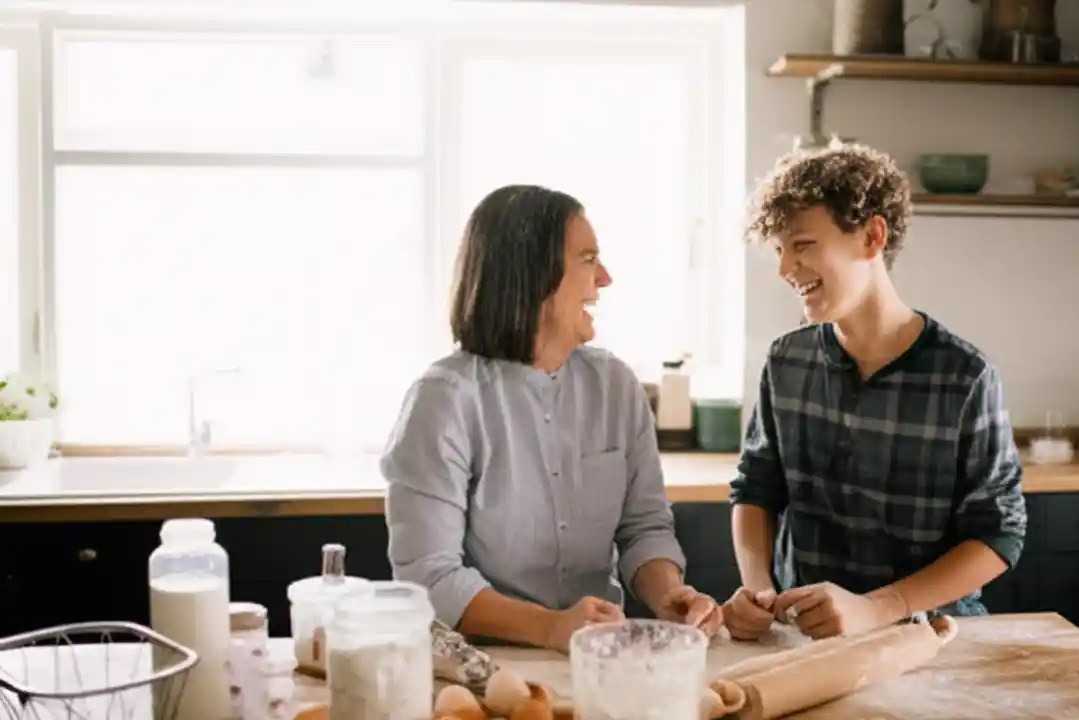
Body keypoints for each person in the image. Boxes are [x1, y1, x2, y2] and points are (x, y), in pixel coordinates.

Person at [382, 184, 722, 651]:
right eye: (587, 259)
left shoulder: (616, 386)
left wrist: (668, 594)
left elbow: (643, 528)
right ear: (533, 276)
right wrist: (550, 628)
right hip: (481, 665)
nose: (604, 278)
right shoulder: (443, 401)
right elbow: (429, 577)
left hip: (599, 657)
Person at [722, 144, 1027, 642]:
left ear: (871, 237)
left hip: (929, 638)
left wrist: (878, 608)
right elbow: (756, 488)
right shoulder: (786, 362)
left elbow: (999, 534)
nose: (784, 269)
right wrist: (758, 590)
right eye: (779, 250)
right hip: (806, 639)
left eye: (802, 244)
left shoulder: (965, 377)